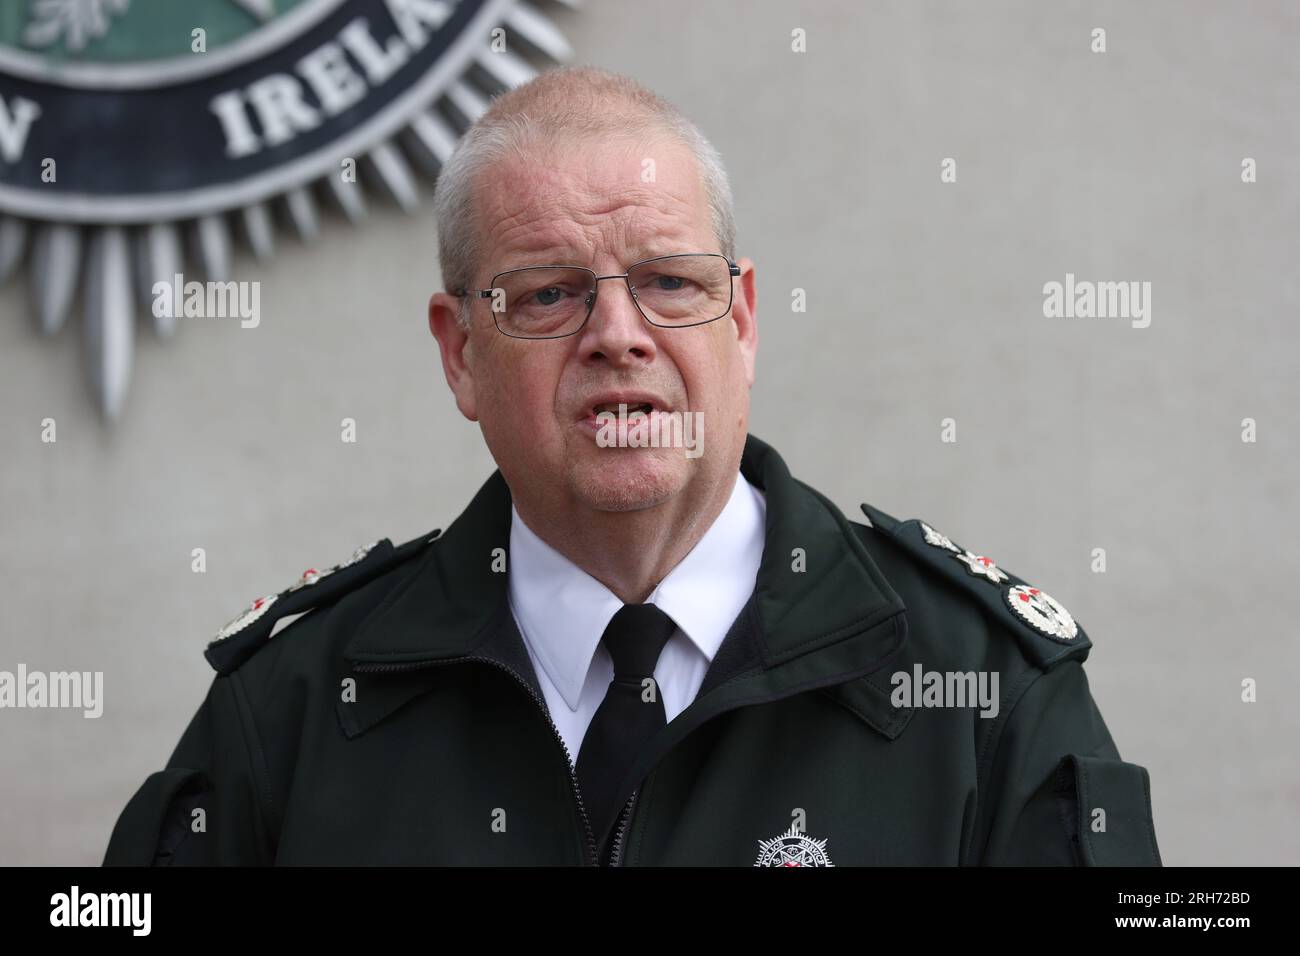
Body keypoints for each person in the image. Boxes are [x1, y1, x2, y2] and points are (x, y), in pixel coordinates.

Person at [103, 66, 1160, 866]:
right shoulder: (291, 712)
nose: (618, 335)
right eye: (548, 294)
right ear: (460, 352)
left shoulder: (982, 692)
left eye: (668, 281)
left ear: (742, 320)